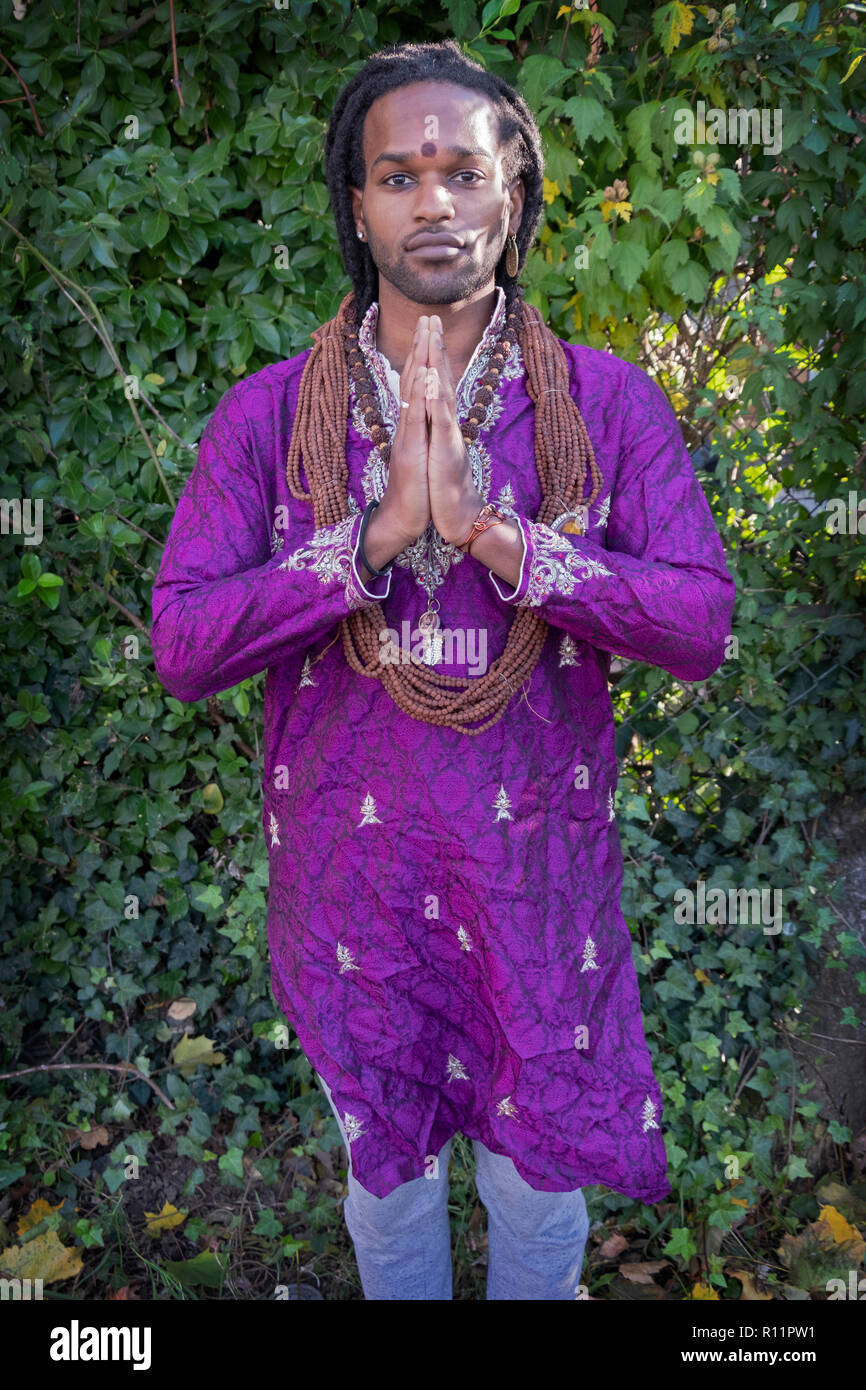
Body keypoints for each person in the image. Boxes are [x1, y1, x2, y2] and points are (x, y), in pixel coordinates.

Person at [150, 39, 736, 1301]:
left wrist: (494, 537)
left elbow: (699, 622)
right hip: (350, 893)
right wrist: (368, 539)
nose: (433, 202)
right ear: (356, 206)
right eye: (398, 175)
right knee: (388, 1174)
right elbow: (184, 646)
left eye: (464, 172)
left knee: (538, 1176)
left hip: (536, 882)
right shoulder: (267, 416)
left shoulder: (601, 403)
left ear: (511, 195)